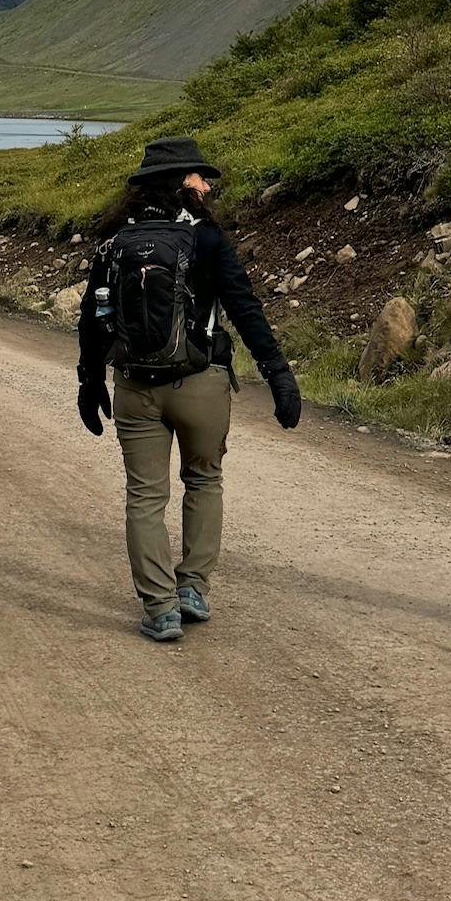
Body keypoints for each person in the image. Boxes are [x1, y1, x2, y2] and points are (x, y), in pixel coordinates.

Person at [75, 136, 301, 642]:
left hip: (134, 387)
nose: (206, 183)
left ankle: (159, 608)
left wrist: (89, 381)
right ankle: (192, 588)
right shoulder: (207, 240)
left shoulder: (114, 242)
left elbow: (93, 319)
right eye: (200, 176)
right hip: (201, 386)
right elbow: (245, 309)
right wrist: (278, 374)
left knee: (144, 496)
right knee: (203, 481)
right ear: (182, 184)